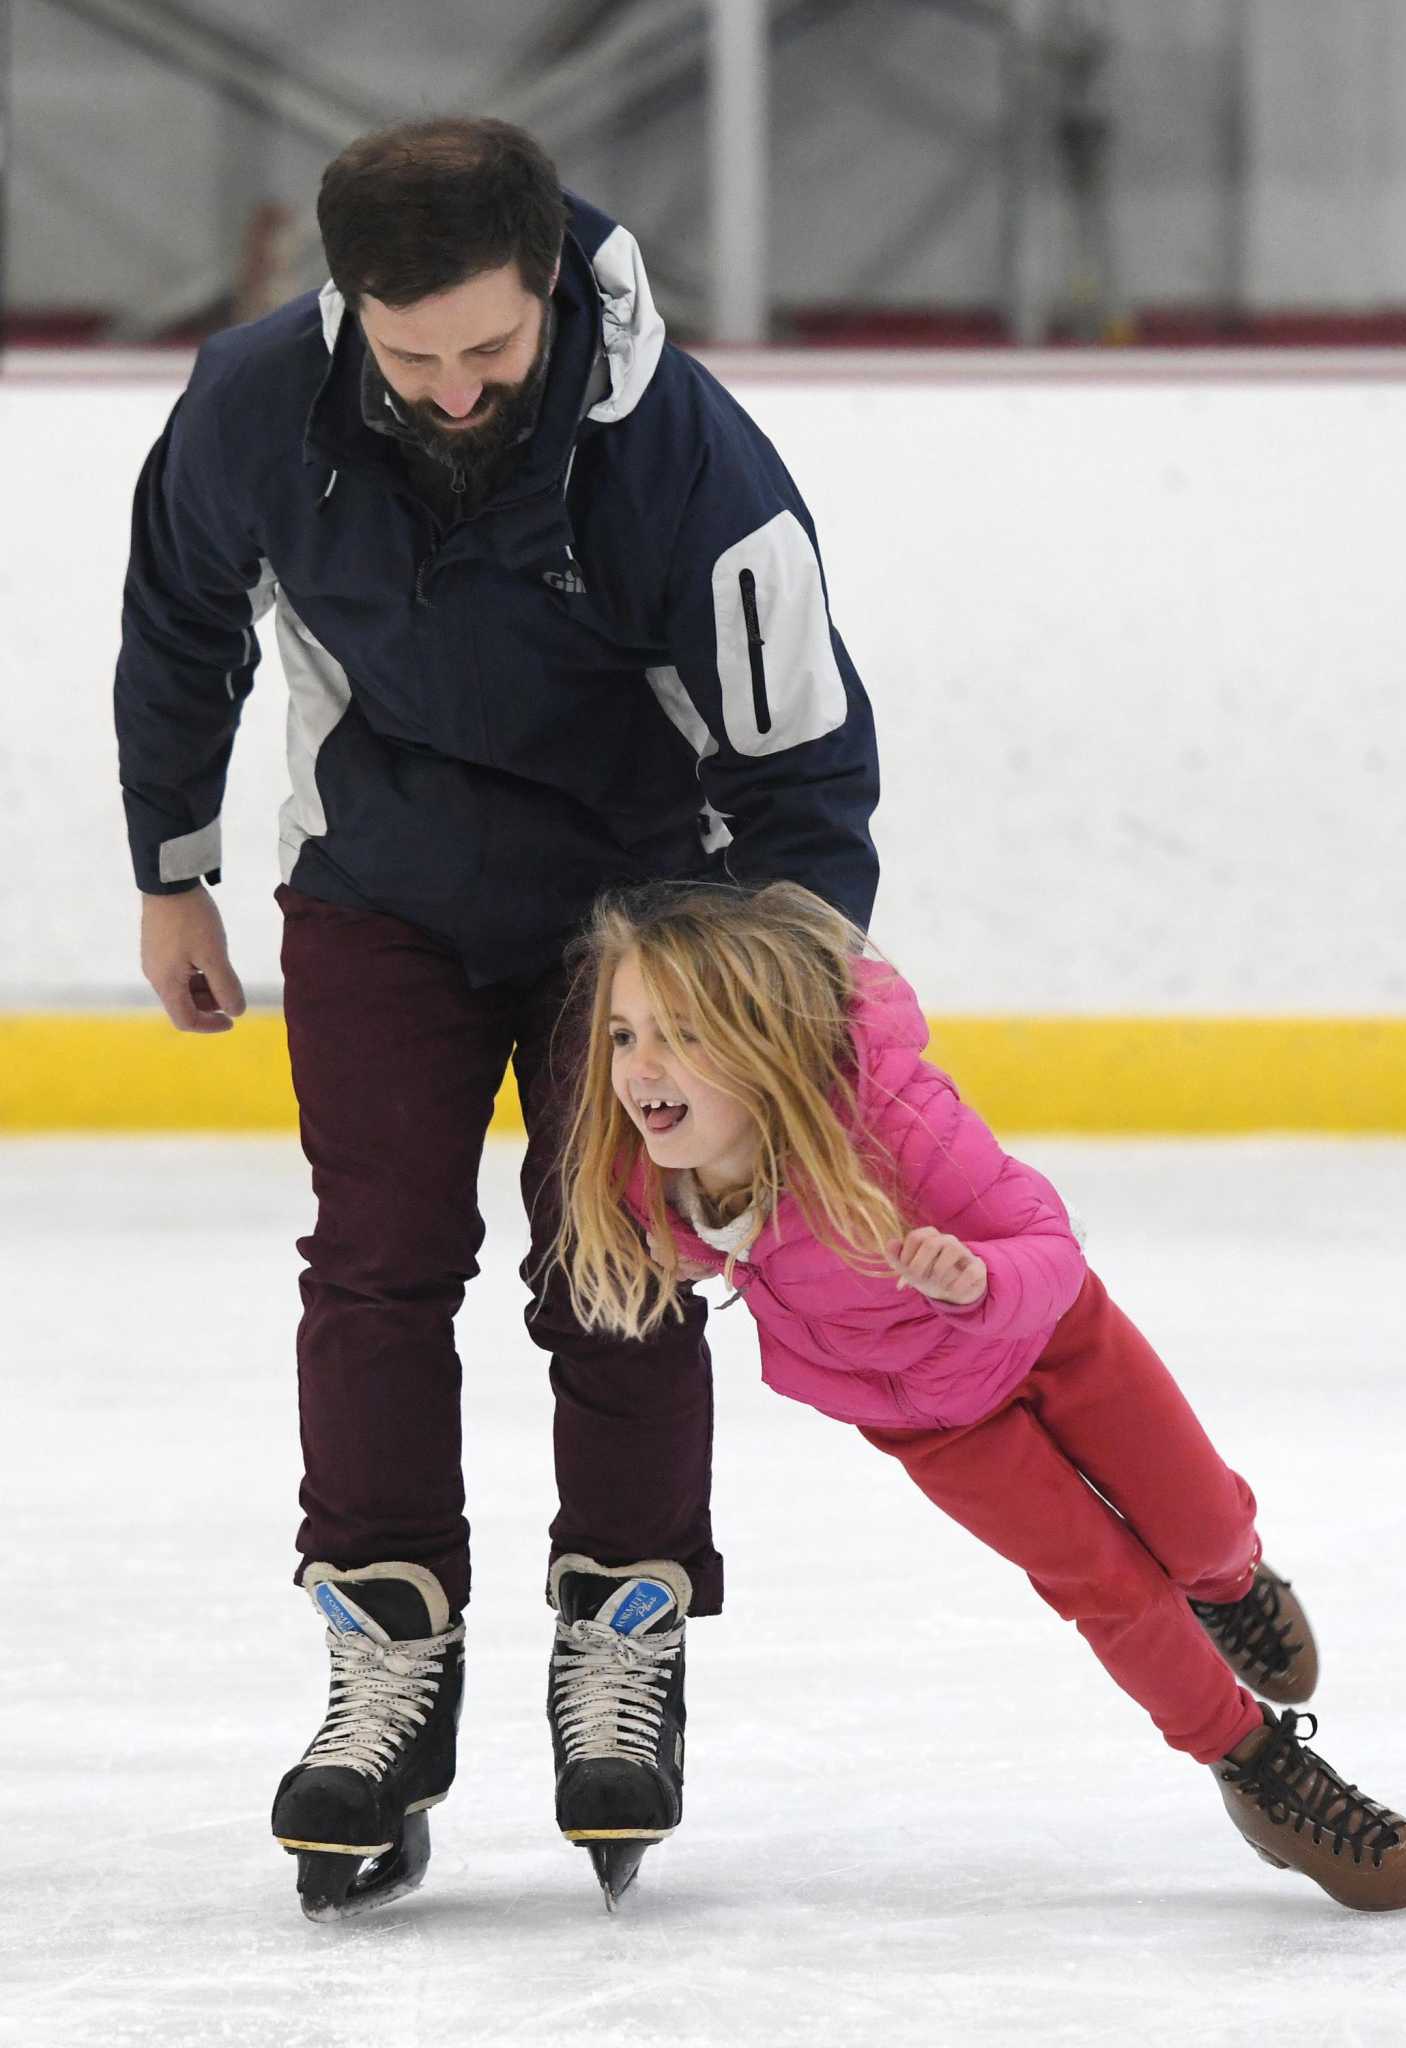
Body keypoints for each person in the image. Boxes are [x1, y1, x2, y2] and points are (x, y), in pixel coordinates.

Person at [114, 118, 880, 1921]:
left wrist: (766, 1016)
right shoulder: (252, 408)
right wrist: (173, 869)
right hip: (375, 878)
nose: (455, 391)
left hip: (629, 923)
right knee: (373, 1259)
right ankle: (384, 1652)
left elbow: (802, 764)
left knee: (607, 1264)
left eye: (490, 350)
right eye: (413, 357)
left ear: (546, 285)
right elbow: (176, 620)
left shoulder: (683, 457)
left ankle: (624, 1630)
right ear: (349, 311)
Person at [553, 880, 1406, 1916]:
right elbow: (699, 1248)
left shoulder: (889, 1118)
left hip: (1055, 1341)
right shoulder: (645, 1182)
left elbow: (1044, 1237)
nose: (640, 1068)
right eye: (625, 1034)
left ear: (765, 1043)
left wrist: (978, 1283)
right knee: (1106, 1585)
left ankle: (1229, 1578)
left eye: (679, 1034)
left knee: (1197, 1527)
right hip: (934, 1425)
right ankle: (1257, 1768)